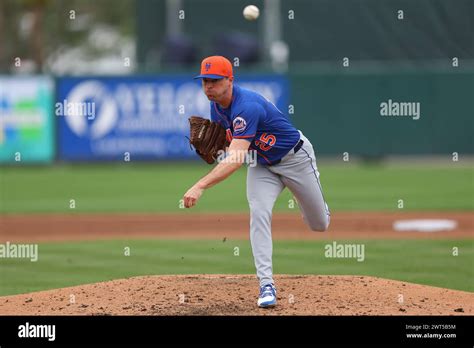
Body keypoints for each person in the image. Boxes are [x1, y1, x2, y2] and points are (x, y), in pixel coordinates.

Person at [183, 56, 330, 308]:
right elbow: (228, 145)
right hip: (262, 165)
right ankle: (266, 285)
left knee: (319, 225)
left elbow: (236, 158)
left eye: (215, 81)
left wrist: (200, 185)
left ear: (230, 80)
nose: (209, 86)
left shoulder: (247, 105)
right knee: (259, 213)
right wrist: (220, 148)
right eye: (205, 81)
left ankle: (308, 198)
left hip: (295, 158)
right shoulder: (216, 105)